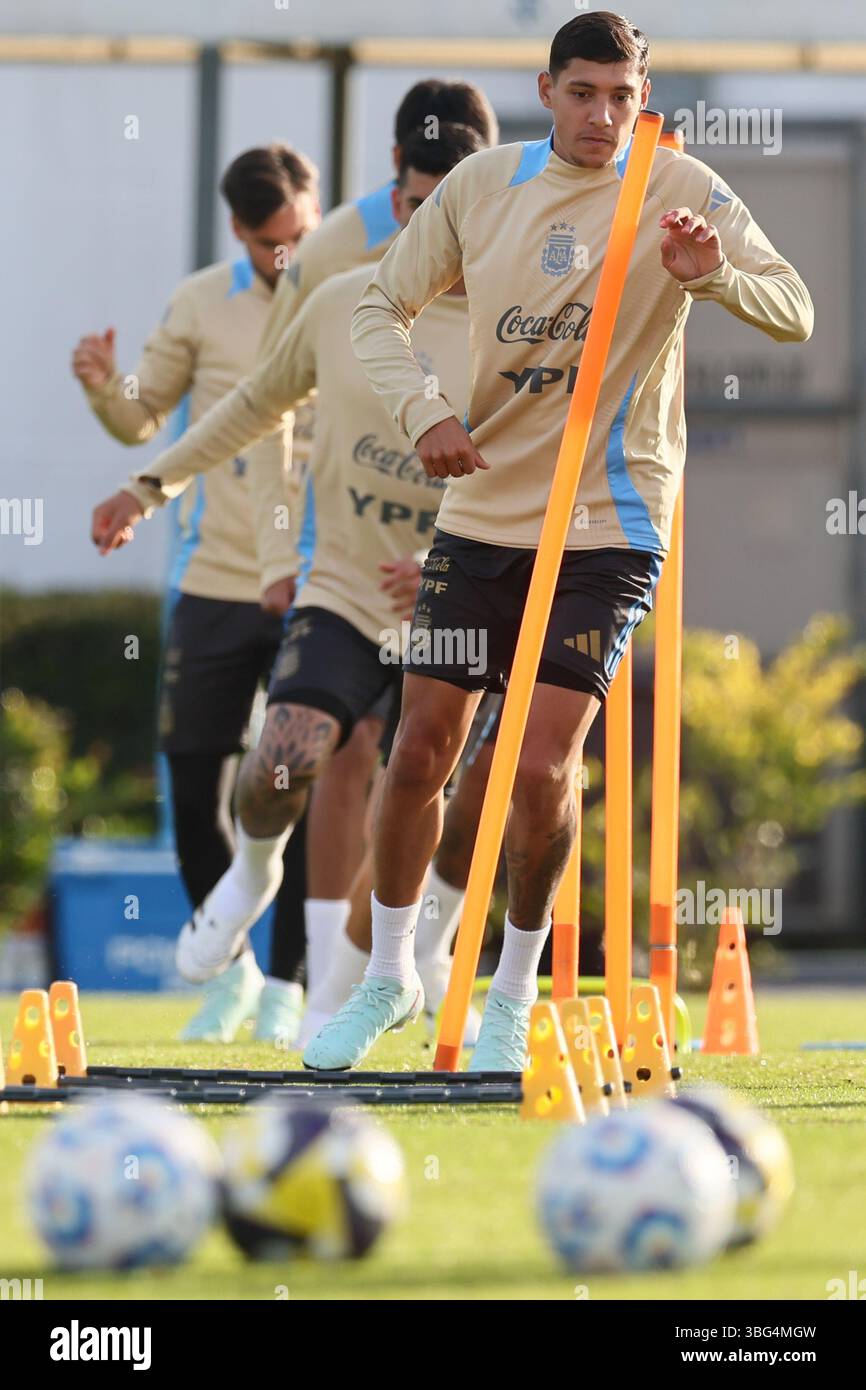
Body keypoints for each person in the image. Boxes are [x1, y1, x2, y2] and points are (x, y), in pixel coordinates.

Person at [304, 8, 814, 1072]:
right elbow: (375, 313)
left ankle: (509, 995)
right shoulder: (481, 186)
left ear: (643, 98)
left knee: (539, 769)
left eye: (621, 97)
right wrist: (424, 415)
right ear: (546, 91)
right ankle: (390, 976)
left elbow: (794, 310)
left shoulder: (679, 188)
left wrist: (709, 273)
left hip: (606, 525)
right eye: (582, 93)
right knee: (419, 754)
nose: (601, 116)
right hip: (483, 517)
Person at [93, 80, 499, 1021]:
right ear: (394, 193)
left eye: (452, 205)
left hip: (459, 595)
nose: (429, 221)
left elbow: (532, 469)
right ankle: (253, 884)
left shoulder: (506, 326)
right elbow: (252, 410)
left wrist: (445, 559)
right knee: (288, 757)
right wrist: (148, 487)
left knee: (460, 786)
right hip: (348, 587)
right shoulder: (338, 291)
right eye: (415, 202)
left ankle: (418, 963)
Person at [82, 144, 323, 1043]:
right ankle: (234, 979)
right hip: (214, 582)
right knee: (195, 789)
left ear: (315, 212)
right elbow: (143, 416)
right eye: (268, 244)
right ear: (238, 232)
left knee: (301, 784)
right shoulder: (198, 304)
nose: (285, 257)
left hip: (313, 578)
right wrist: (107, 388)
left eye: (297, 236)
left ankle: (294, 985)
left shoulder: (347, 292)